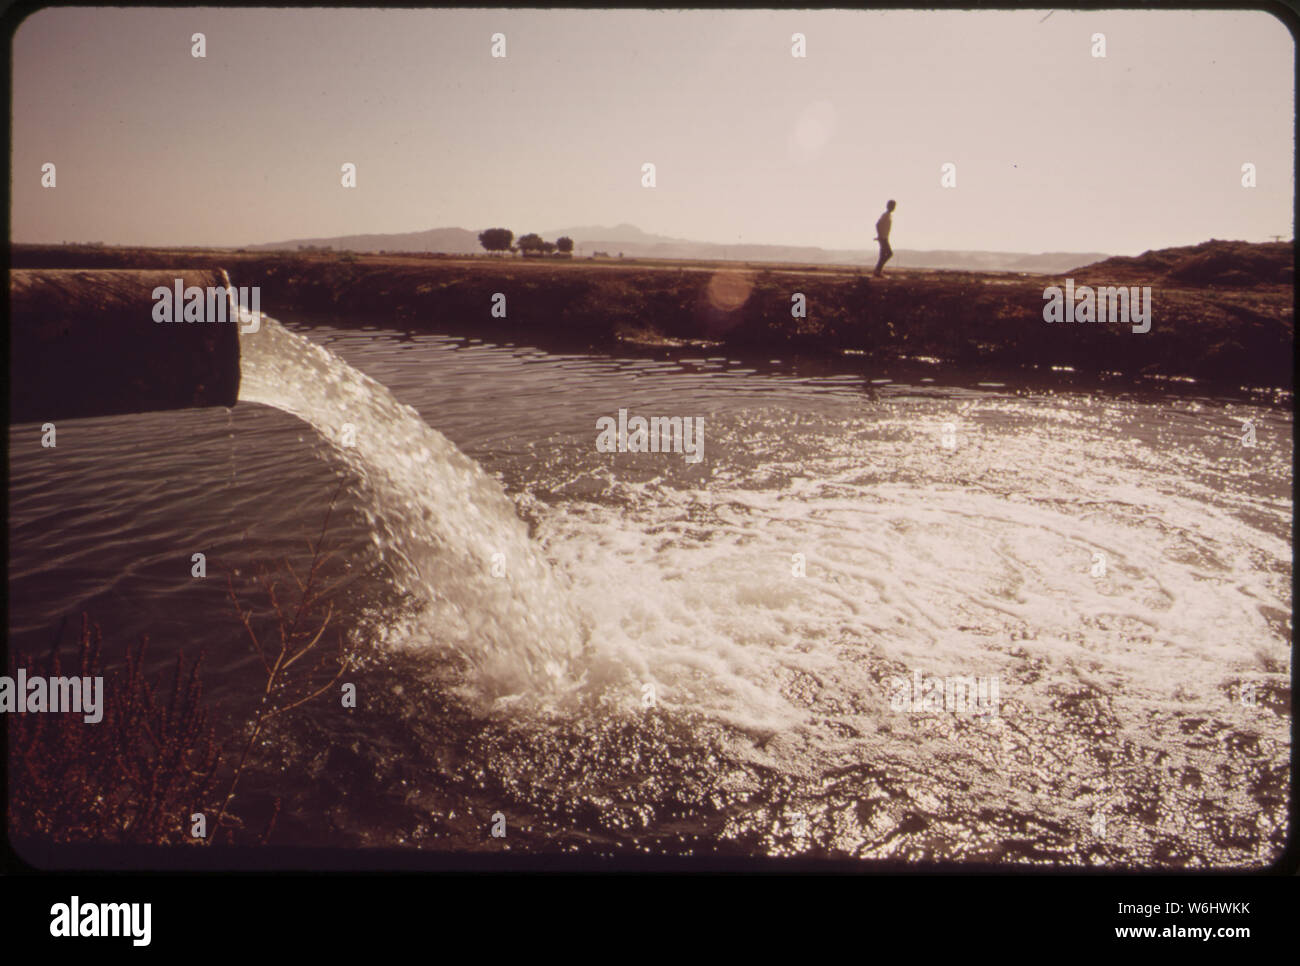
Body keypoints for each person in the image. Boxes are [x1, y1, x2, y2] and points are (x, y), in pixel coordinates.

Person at [873, 199, 896, 277]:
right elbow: (877, 224)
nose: (893, 207)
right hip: (883, 238)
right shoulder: (885, 215)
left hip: (885, 237)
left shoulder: (889, 215)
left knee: (883, 255)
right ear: (888, 206)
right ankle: (877, 271)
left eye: (894, 206)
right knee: (889, 253)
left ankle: (878, 271)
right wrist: (879, 235)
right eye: (892, 206)